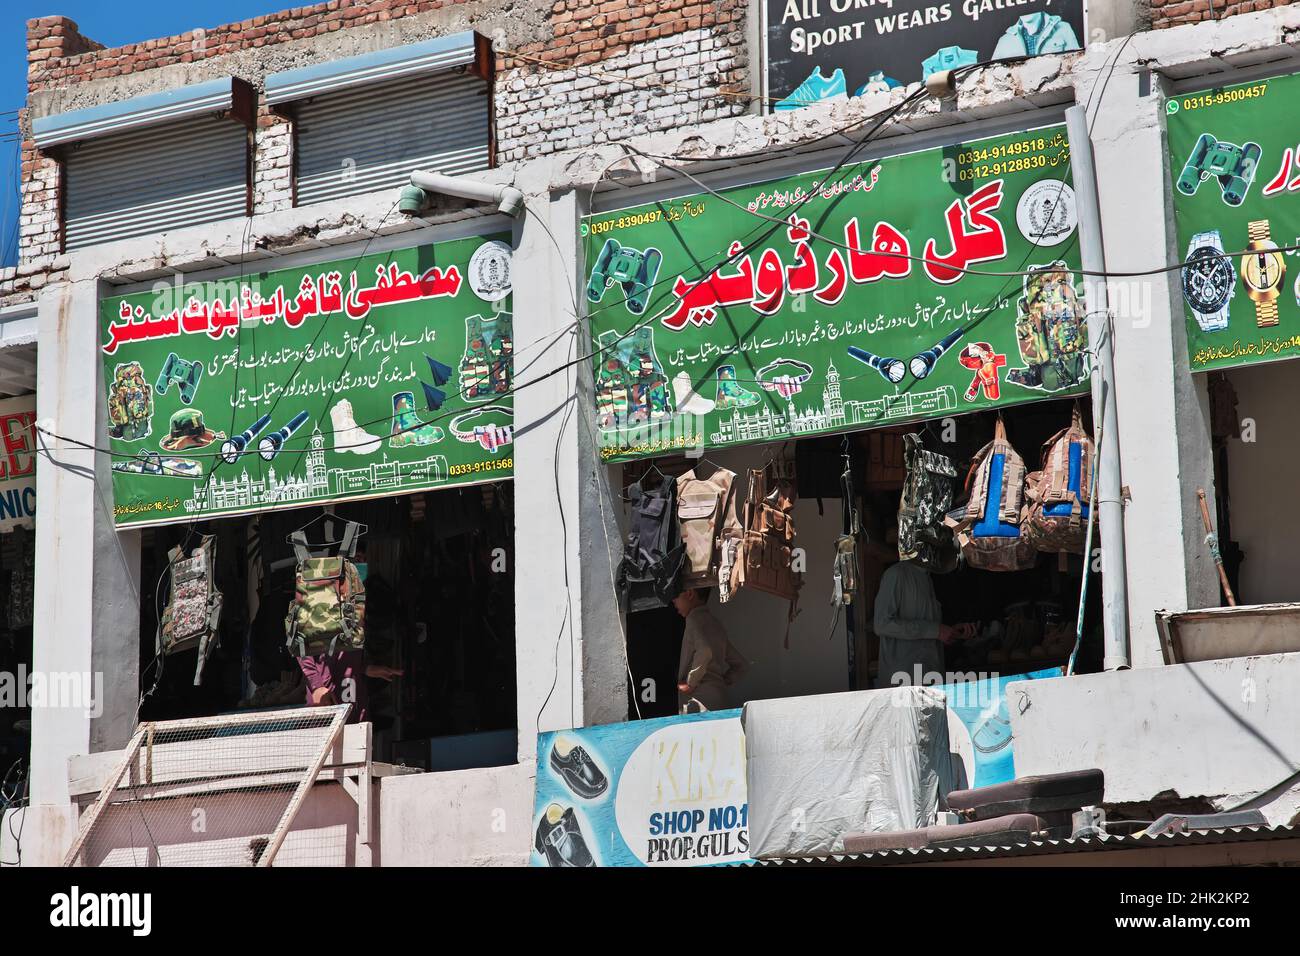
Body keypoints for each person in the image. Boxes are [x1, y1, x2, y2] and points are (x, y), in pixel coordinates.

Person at [873, 557, 975, 688]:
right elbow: (881, 624)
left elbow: (929, 633)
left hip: (930, 680)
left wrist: (949, 632)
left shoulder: (927, 578)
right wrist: (935, 630)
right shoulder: (897, 574)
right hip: (903, 684)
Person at [672, 587, 748, 713]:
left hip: (700, 701)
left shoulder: (693, 619)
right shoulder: (715, 624)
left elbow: (705, 651)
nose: (673, 601)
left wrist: (691, 683)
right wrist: (722, 681)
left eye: (675, 596)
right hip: (719, 699)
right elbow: (741, 665)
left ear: (690, 594)